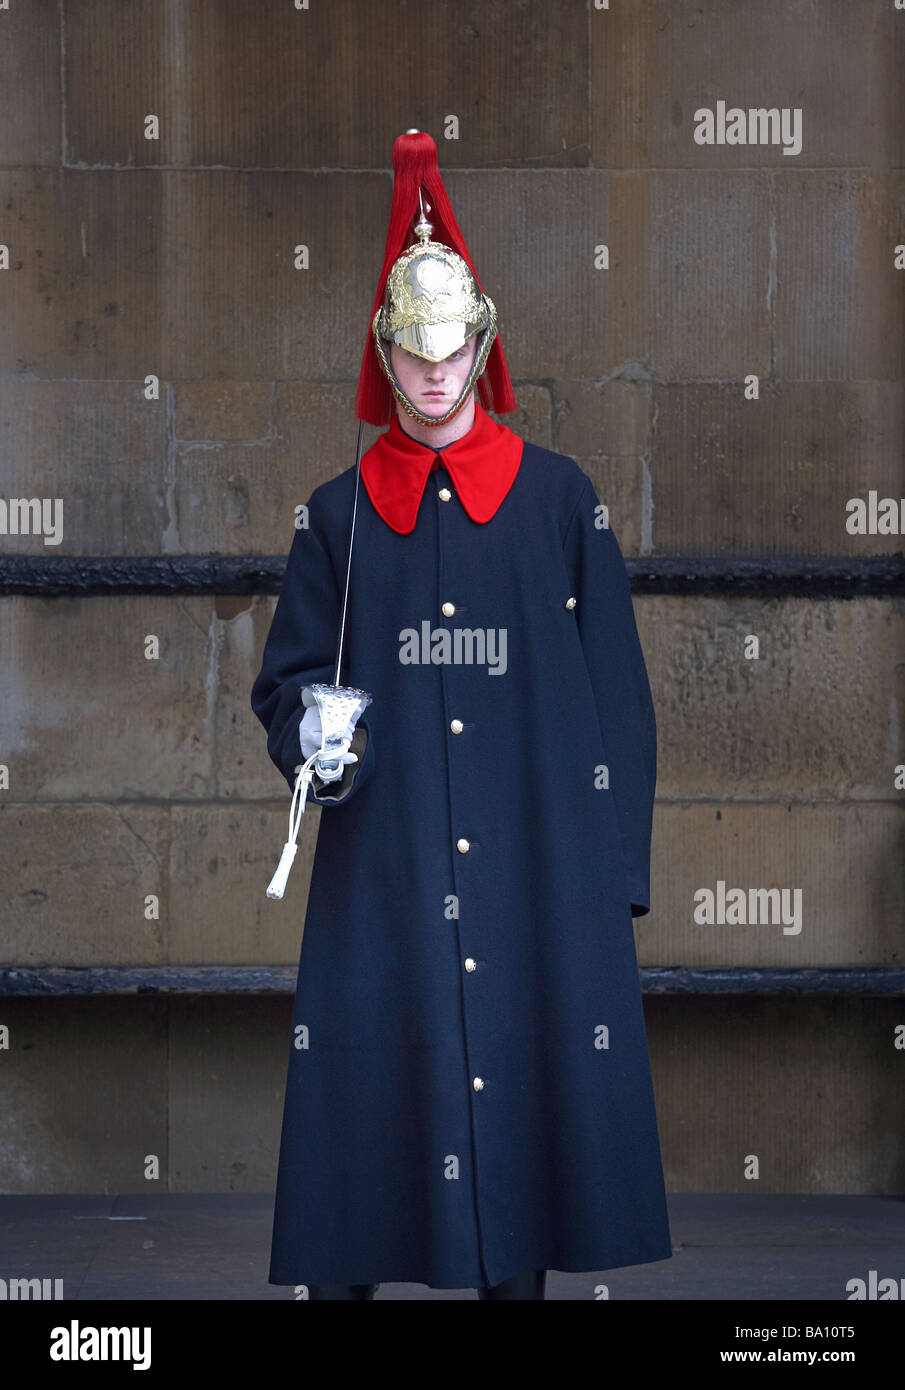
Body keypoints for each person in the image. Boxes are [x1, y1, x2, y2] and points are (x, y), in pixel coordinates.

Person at [251, 130, 672, 1300]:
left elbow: (618, 697)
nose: (433, 375)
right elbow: (287, 682)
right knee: (364, 1124)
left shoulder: (560, 500)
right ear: (384, 352)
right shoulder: (335, 515)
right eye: (411, 351)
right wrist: (313, 740)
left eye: (450, 352)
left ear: (480, 345)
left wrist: (609, 877)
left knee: (521, 1155)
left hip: (536, 871)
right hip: (384, 874)